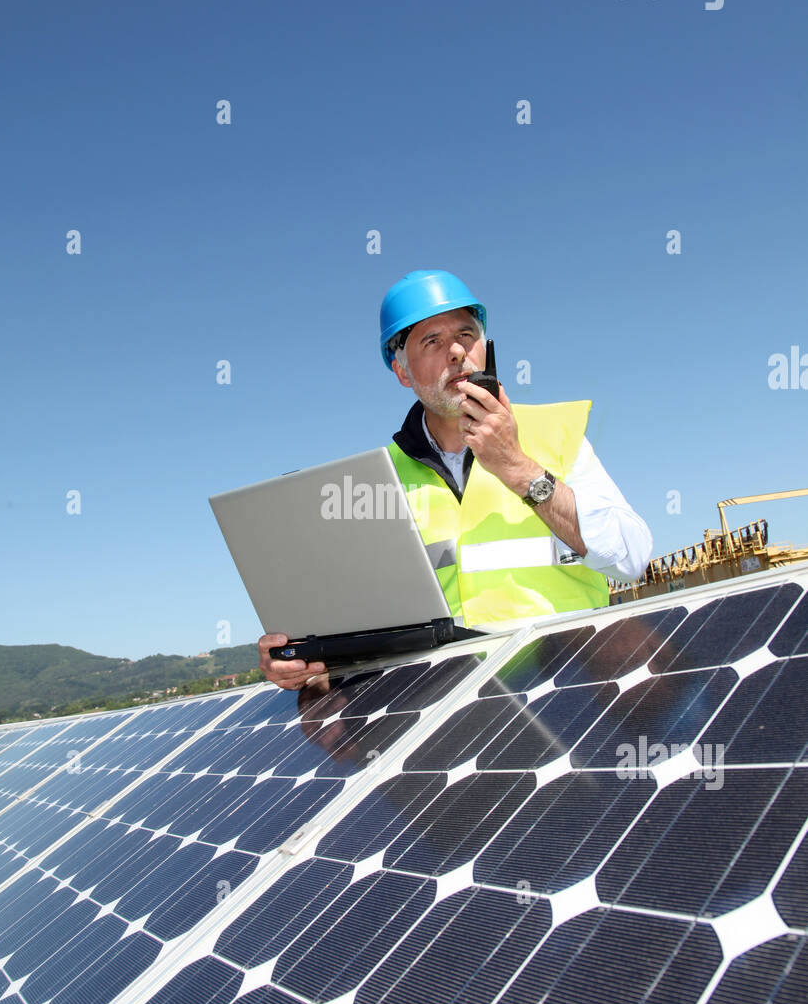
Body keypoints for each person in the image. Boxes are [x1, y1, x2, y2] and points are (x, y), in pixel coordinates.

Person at [260, 269, 652, 690]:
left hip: (569, 681)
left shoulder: (554, 433)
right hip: (445, 700)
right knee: (319, 703)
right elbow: (352, 621)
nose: (456, 352)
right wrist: (298, 656)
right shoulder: (374, 481)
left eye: (466, 334)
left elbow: (631, 559)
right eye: (432, 341)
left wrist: (518, 467)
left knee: (639, 647)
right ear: (402, 371)